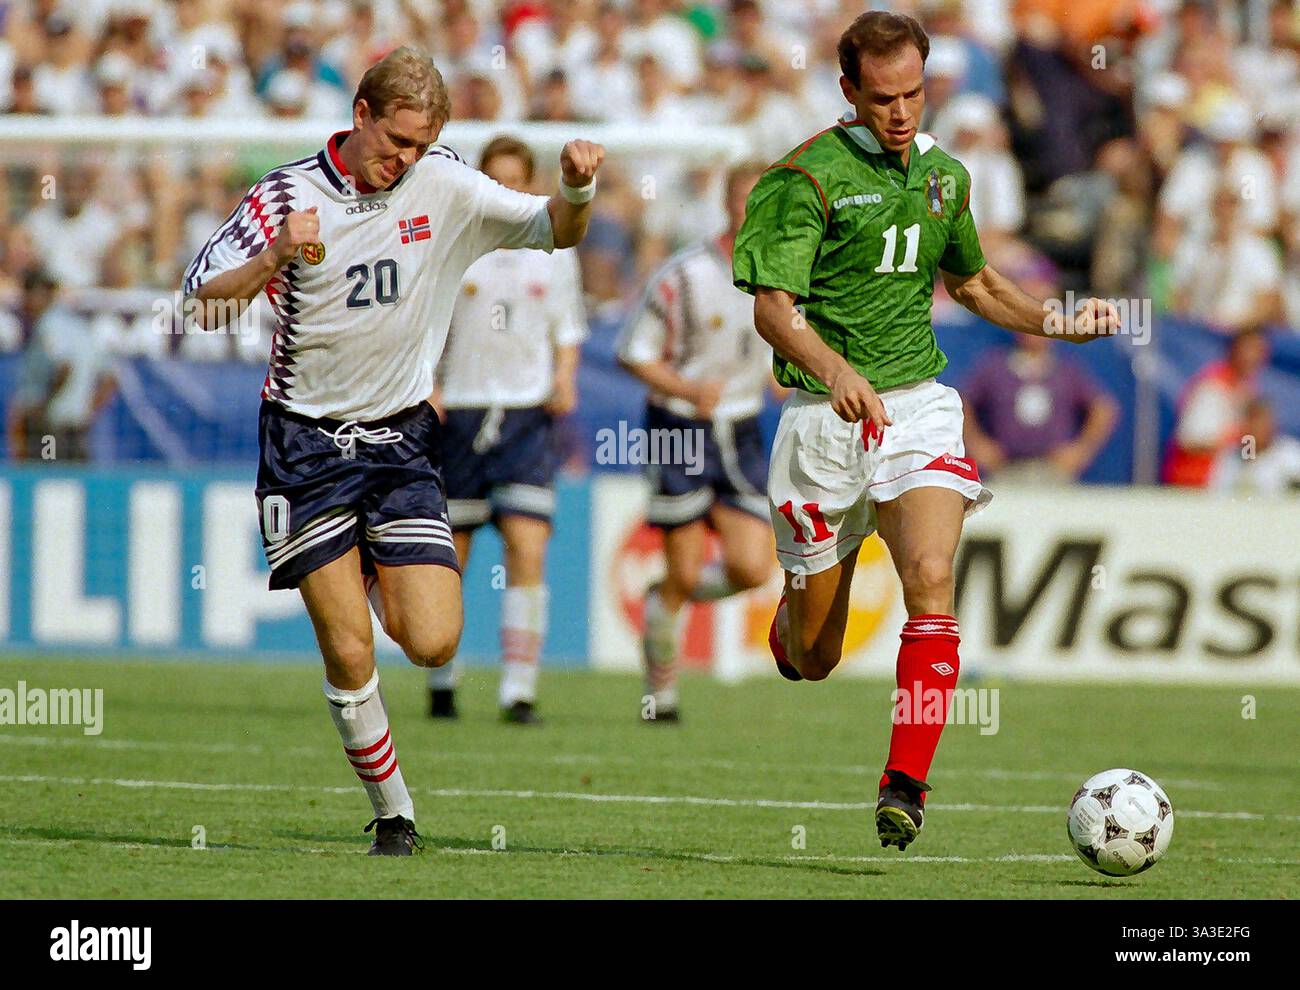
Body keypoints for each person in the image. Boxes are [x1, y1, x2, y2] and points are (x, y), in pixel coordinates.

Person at [181, 47, 604, 855]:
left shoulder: (442, 182)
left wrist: (579, 188)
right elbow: (197, 306)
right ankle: (394, 814)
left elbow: (556, 228)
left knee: (435, 639)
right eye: (394, 141)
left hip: (402, 438)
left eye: (420, 144)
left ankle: (369, 562)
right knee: (349, 647)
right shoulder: (285, 196)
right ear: (361, 115)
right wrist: (274, 260)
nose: (402, 160)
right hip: (304, 443)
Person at [731, 11, 1118, 851]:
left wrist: (1057, 319)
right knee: (815, 657)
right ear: (848, 92)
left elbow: (975, 284)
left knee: (933, 576)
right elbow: (772, 310)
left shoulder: (946, 175)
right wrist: (835, 370)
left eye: (914, 93)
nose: (902, 112)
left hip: (916, 405)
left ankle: (905, 782)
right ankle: (794, 627)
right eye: (882, 98)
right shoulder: (804, 179)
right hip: (822, 421)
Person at [426, 135, 588, 725]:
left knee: (527, 547)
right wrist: (430, 384)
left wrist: (565, 377)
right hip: (461, 413)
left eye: (517, 181)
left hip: (525, 417)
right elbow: (426, 325)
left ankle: (518, 690)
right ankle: (442, 680)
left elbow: (567, 331)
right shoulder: (458, 246)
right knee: (451, 558)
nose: (507, 192)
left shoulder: (554, 252)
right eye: (495, 181)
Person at [617, 161, 780, 722]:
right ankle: (660, 690)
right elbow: (633, 352)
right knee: (686, 568)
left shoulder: (784, 275)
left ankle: (668, 597)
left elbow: (781, 354)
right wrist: (687, 387)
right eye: (741, 198)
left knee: (754, 567)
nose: (749, 208)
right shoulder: (683, 274)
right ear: (726, 203)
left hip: (742, 430)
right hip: (679, 428)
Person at [961, 333, 1118, 483]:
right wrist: (977, 444)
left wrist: (1080, 451)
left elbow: (1103, 409)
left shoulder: (1067, 370)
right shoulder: (995, 365)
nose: (1034, 334)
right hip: (1005, 468)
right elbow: (962, 403)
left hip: (1053, 470)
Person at [7, 269, 116, 461]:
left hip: (50, 430)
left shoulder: (49, 325)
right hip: (77, 430)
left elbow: (64, 366)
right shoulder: (80, 327)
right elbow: (111, 378)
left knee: (45, 482)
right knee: (74, 486)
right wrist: (87, 410)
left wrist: (44, 406)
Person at [1163, 329, 1270, 487]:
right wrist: (1236, 438)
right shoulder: (1210, 388)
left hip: (1223, 483)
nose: (1252, 357)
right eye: (1248, 349)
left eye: (1258, 350)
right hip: (1193, 485)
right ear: (1233, 351)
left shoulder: (1248, 390)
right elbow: (1190, 441)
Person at [1211, 397, 1300, 495]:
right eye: (1250, 421)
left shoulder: (1291, 455)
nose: (1254, 428)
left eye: (1260, 422)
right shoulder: (1230, 457)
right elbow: (1217, 494)